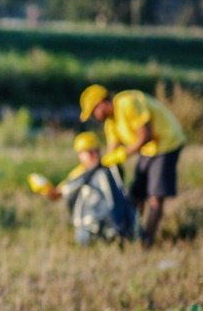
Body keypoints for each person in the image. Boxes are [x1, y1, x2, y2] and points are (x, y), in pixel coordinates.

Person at [79, 84, 186, 246]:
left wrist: (123, 154)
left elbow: (145, 135)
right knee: (135, 194)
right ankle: (129, 233)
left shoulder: (127, 102)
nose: (95, 116)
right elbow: (111, 151)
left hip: (166, 144)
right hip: (148, 150)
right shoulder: (110, 123)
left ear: (101, 103)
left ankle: (146, 241)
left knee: (155, 196)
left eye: (94, 111)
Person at [28, 131, 137, 245]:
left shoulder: (109, 167)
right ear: (79, 154)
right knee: (83, 238)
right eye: (88, 152)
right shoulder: (79, 174)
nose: (92, 155)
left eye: (94, 151)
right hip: (90, 224)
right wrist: (45, 188)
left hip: (115, 222)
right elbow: (58, 193)